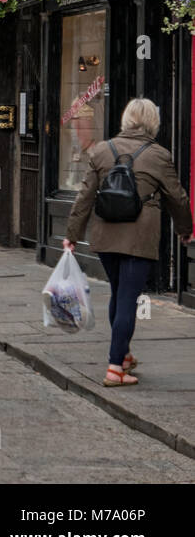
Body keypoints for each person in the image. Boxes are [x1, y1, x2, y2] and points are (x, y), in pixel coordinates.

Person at [64, 98, 193, 387]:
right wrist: (185, 229)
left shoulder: (101, 150)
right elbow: (177, 197)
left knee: (119, 293)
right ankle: (114, 369)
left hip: (105, 235)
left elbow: (84, 198)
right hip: (139, 237)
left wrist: (72, 235)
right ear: (152, 123)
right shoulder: (159, 155)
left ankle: (123, 356)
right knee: (127, 299)